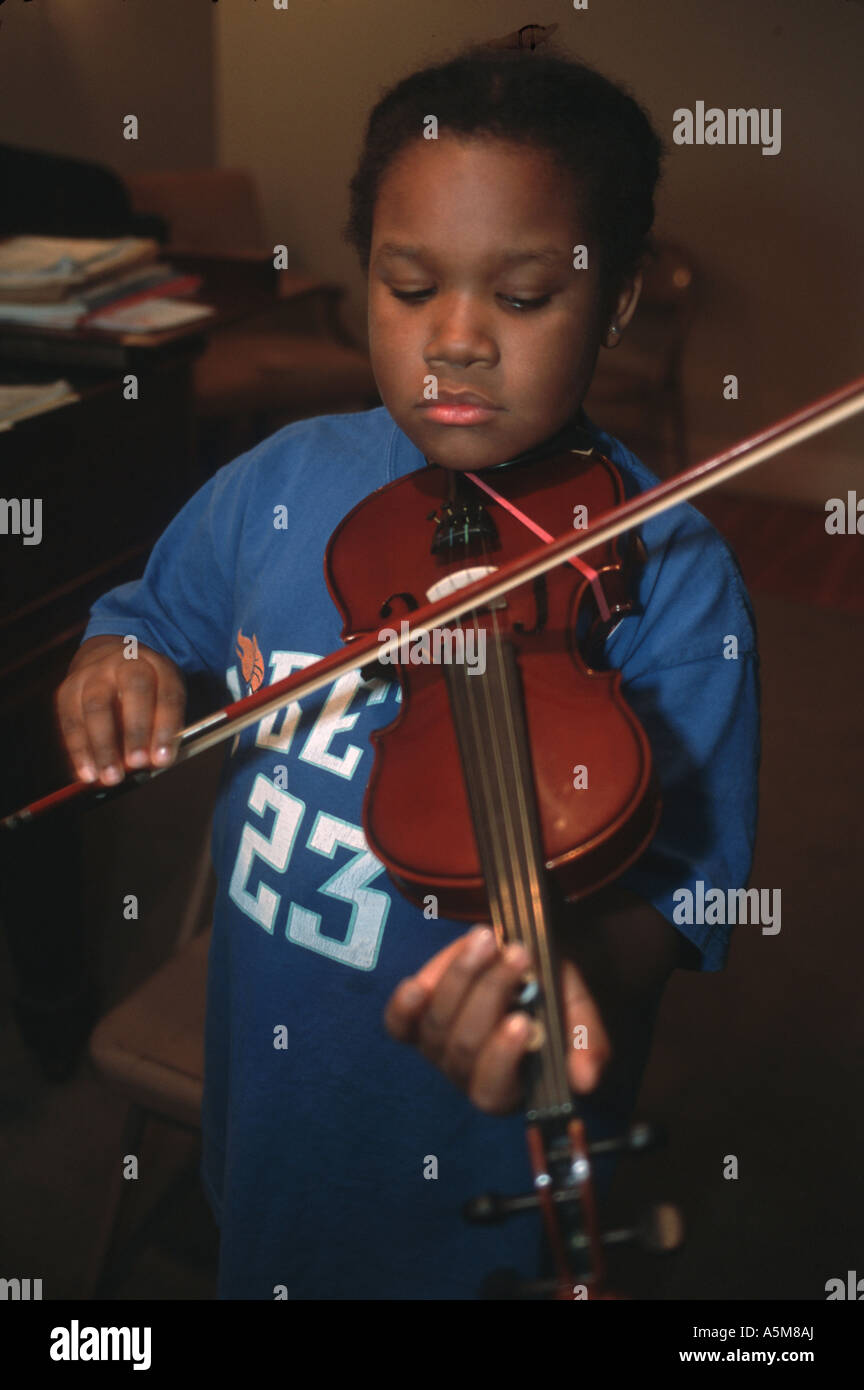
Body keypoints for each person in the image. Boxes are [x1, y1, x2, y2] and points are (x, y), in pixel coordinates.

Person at [54, 48, 759, 1299]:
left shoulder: (672, 568)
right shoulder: (277, 484)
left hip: (479, 1138)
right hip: (271, 1099)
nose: (458, 341)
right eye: (409, 283)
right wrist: (118, 660)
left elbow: (681, 903)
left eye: (528, 295)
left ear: (620, 298)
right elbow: (147, 617)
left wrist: (576, 970)